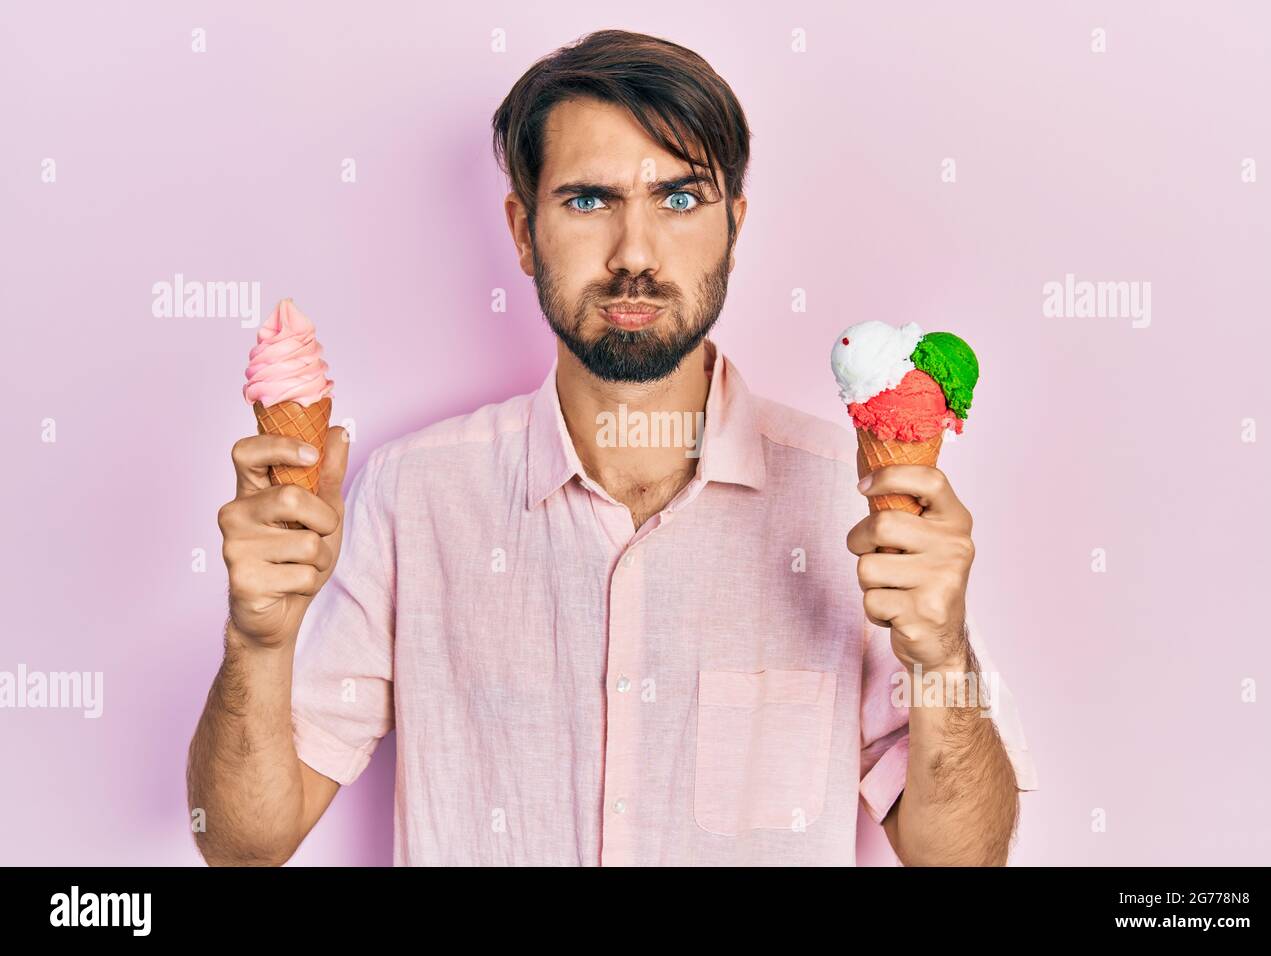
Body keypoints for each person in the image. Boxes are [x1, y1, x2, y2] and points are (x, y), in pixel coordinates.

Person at [187, 28, 1037, 867]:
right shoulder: (414, 496)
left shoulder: (844, 499)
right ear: (523, 232)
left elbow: (961, 859)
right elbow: (239, 843)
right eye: (589, 201)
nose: (635, 254)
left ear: (732, 228)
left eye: (678, 199)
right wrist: (256, 644)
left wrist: (942, 659)